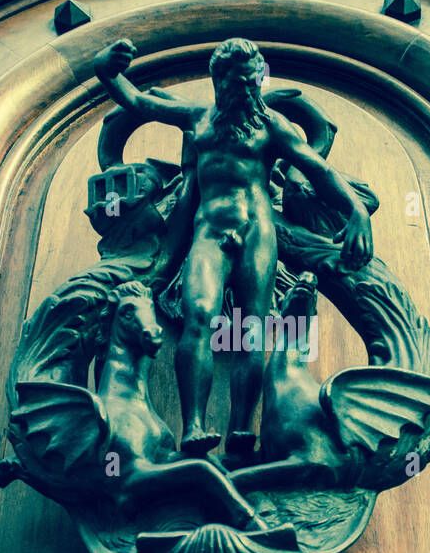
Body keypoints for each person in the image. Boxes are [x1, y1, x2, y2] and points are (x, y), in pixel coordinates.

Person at [93, 36, 374, 456]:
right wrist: (106, 69)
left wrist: (358, 211)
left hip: (257, 231)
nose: (248, 91)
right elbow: (139, 104)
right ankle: (194, 427)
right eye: (239, 83)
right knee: (199, 319)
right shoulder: (197, 119)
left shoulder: (271, 125)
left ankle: (241, 430)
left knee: (252, 331)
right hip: (209, 233)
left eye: (253, 82)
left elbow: (317, 169)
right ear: (218, 81)